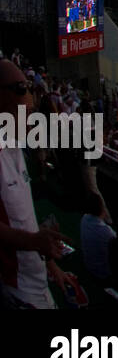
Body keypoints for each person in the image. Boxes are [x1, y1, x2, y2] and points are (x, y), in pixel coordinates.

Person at [0, 60, 68, 308]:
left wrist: (51, 264)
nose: (30, 120)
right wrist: (33, 242)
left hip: (36, 282)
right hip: (17, 291)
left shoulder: (14, 146)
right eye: (26, 113)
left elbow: (21, 217)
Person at [79, 192, 117, 283]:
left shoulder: (84, 219)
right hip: (103, 274)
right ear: (102, 208)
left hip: (89, 265)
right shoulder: (108, 233)